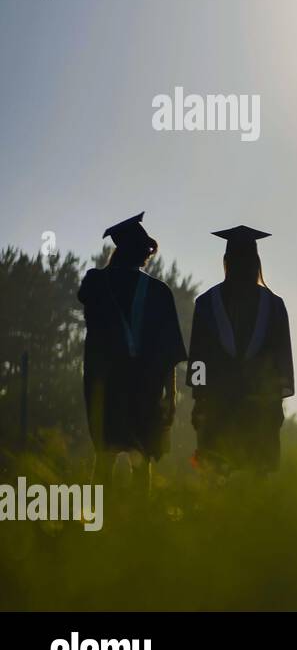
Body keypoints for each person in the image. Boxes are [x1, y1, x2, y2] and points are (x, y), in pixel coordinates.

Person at [78, 212, 187, 497]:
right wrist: (170, 396)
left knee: (104, 456)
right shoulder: (159, 292)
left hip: (104, 386)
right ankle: (141, 524)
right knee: (142, 459)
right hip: (144, 386)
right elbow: (168, 353)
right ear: (141, 251)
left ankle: (96, 522)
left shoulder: (95, 283)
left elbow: (86, 303)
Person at [188, 226, 294, 475]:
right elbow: (281, 363)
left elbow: (198, 361)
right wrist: (275, 403)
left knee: (221, 477)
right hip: (254, 406)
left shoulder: (207, 303)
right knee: (253, 479)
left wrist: (199, 399)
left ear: (225, 261)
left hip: (223, 405)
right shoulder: (273, 305)